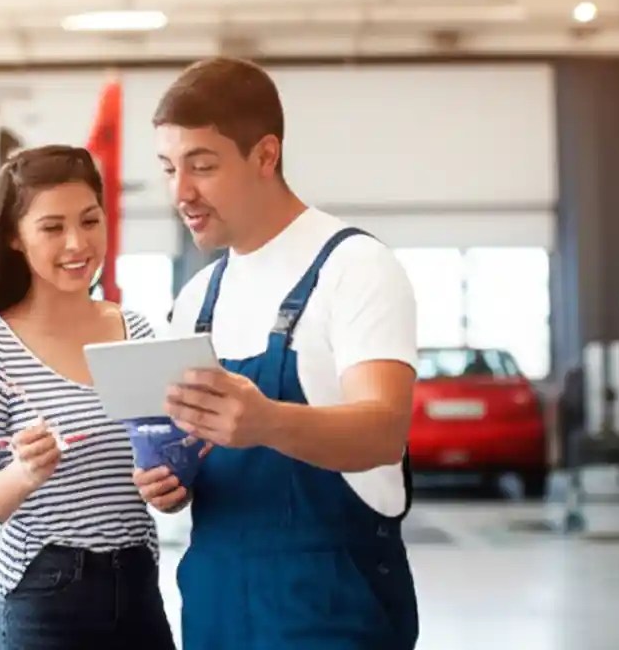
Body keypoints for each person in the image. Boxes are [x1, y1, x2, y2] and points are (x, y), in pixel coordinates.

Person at [133, 57, 421, 649]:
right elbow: (192, 453)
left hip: (330, 608)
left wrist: (267, 421)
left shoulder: (355, 269)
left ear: (266, 156)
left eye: (202, 166)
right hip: (214, 606)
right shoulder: (194, 301)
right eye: (169, 168)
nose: (180, 192)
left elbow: (383, 431)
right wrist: (170, 481)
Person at [0, 144, 176, 650]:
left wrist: (173, 486)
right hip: (42, 599)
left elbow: (167, 471)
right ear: (14, 238)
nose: (77, 243)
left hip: (137, 588)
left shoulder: (137, 331)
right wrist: (22, 475)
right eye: (52, 228)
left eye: (90, 221)